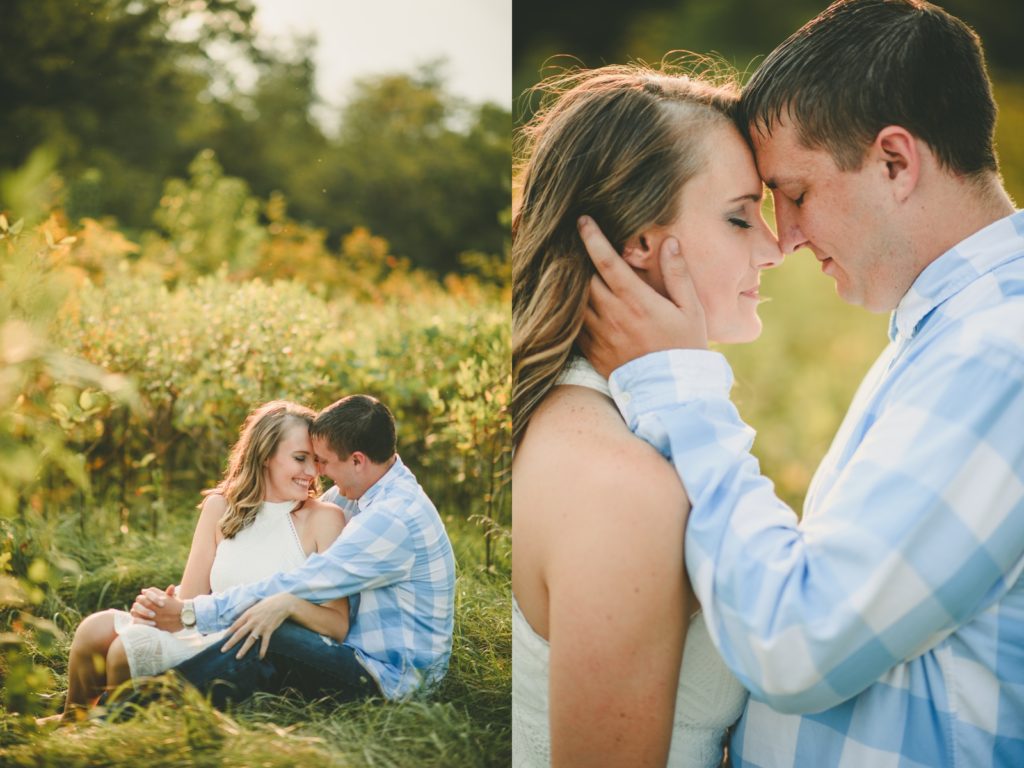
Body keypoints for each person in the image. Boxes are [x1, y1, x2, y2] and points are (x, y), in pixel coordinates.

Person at [577, 1, 1024, 766]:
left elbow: (797, 643)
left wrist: (681, 393)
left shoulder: (997, 354)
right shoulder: (955, 332)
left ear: (895, 162)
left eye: (797, 193)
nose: (783, 237)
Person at [511, 64, 782, 766]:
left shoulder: (583, 418)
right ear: (637, 242)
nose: (775, 248)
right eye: (739, 217)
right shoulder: (622, 488)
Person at [133, 394, 456, 707]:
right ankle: (147, 704)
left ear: (357, 461)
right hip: (364, 659)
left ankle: (137, 710)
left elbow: (303, 582)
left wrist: (192, 613)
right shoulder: (364, 492)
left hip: (391, 681)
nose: (319, 473)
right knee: (265, 632)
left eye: (324, 462)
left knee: (268, 635)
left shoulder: (392, 517)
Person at [47, 400, 348, 722]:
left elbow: (338, 625)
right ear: (265, 455)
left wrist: (287, 605)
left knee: (128, 648)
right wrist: (161, 605)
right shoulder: (221, 507)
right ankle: (72, 721)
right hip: (202, 625)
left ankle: (112, 730)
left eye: (316, 461)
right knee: (95, 628)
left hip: (240, 648)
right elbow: (191, 596)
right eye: (300, 459)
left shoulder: (324, 519)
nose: (312, 472)